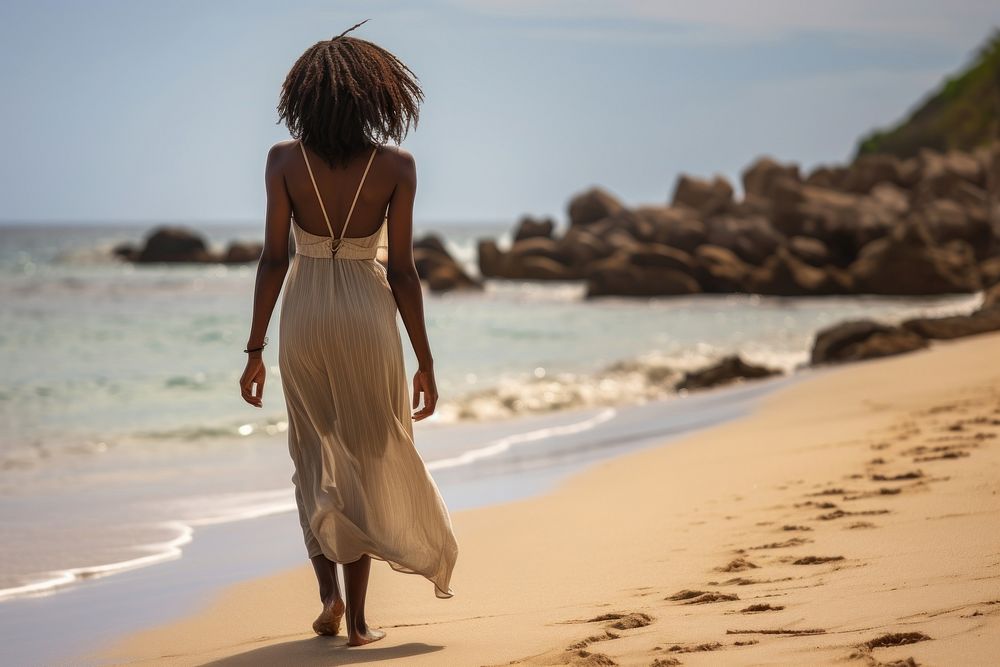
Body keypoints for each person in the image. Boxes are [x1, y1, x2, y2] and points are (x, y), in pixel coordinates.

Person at [239, 19, 458, 647]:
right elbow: (405, 273)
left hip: (304, 315)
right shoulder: (396, 166)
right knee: (364, 458)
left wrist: (254, 350)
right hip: (366, 314)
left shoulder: (283, 160)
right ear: (375, 98)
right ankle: (361, 622)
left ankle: (328, 596)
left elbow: (273, 260)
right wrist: (426, 360)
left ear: (305, 97)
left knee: (312, 456)